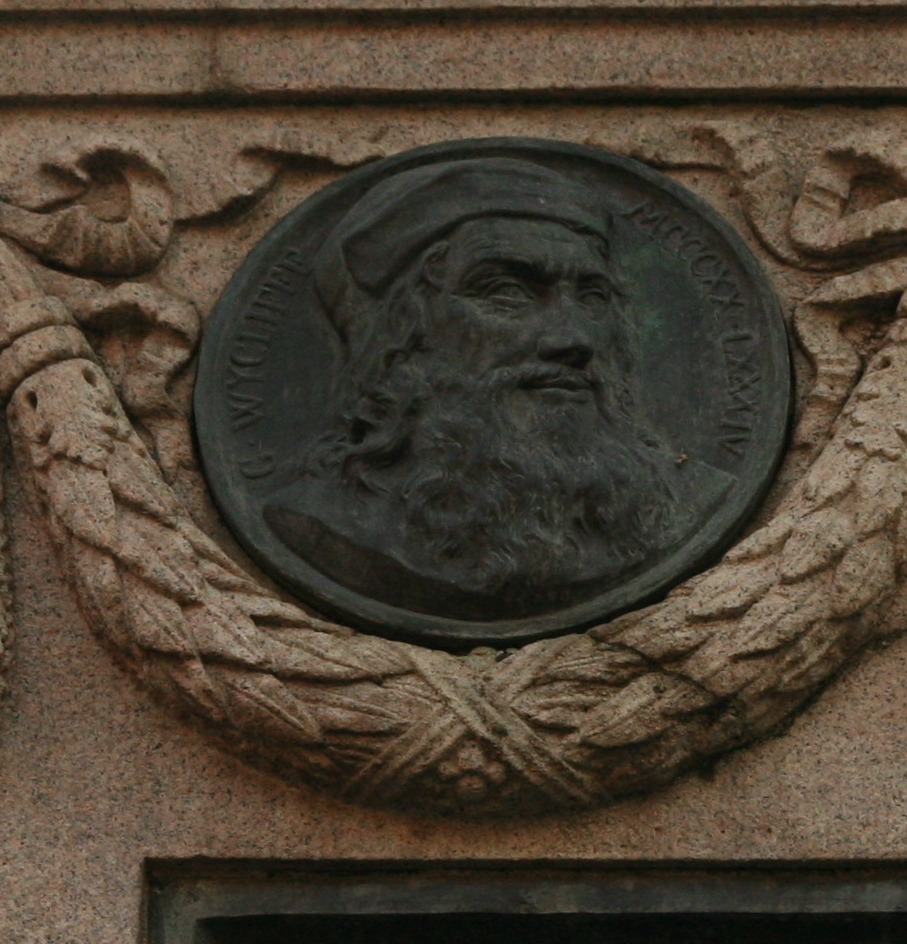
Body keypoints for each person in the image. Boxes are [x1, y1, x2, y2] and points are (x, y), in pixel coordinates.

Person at [264, 154, 720, 621]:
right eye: (507, 293)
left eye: (592, 297)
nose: (574, 339)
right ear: (403, 331)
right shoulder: (321, 521)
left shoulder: (696, 500)